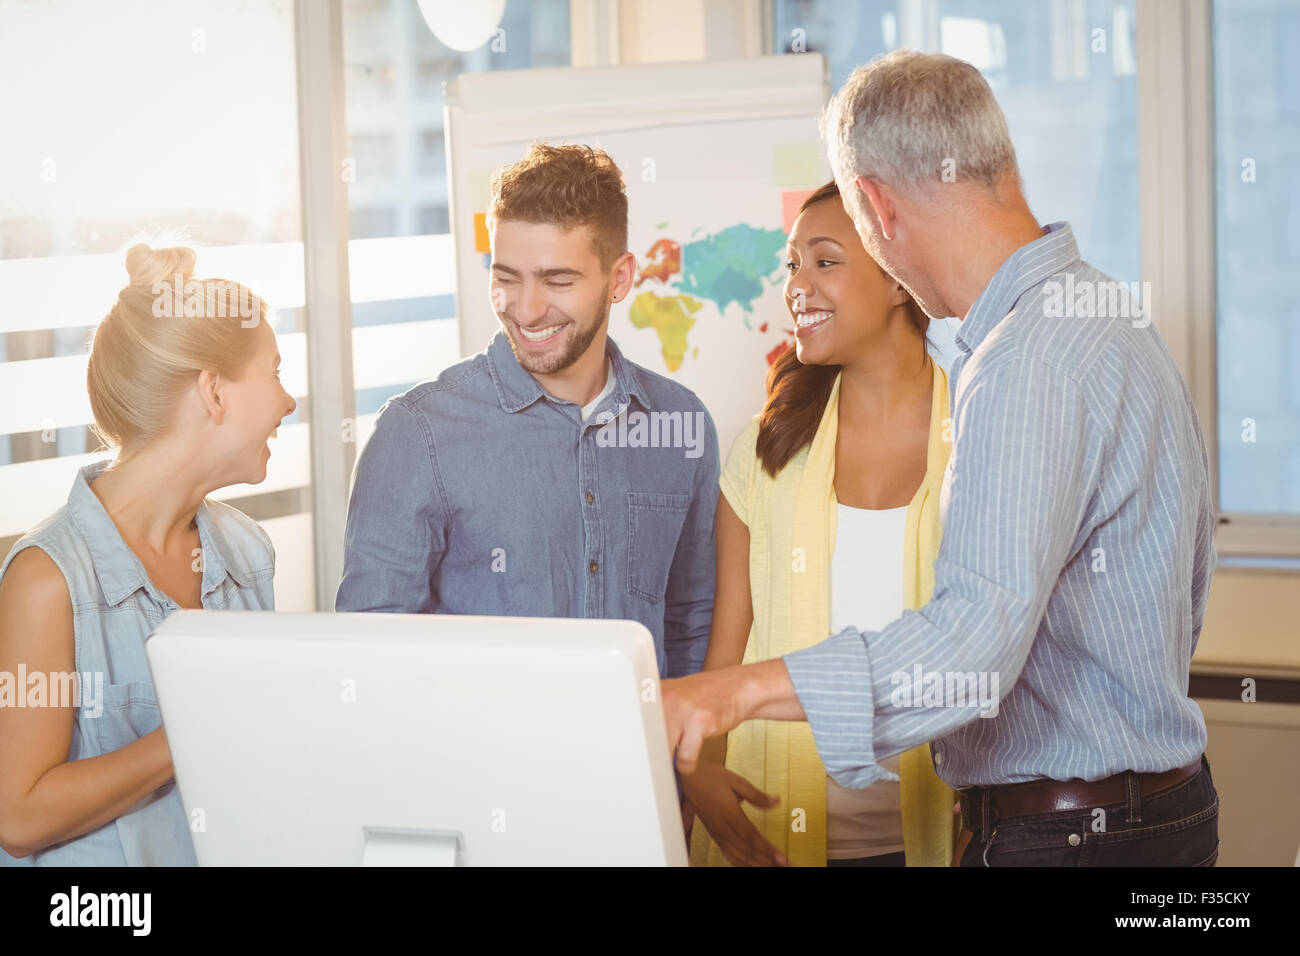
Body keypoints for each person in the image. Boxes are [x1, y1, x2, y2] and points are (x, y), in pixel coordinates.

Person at [663, 50, 1219, 867]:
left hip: (1070, 838)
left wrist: (735, 690)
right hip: (1152, 814)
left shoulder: (1024, 360)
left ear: (878, 211)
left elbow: (971, 648)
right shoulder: (1105, 314)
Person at [336, 143, 719, 684]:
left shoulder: (682, 425)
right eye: (507, 277)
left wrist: (685, 761)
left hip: (638, 764)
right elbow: (369, 653)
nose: (527, 308)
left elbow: (687, 622)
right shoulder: (418, 433)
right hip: (483, 766)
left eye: (558, 280)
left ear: (620, 278)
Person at [682, 182, 958, 867]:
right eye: (791, 265)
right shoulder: (765, 450)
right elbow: (729, 652)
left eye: (825, 261)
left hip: (944, 837)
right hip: (772, 835)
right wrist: (702, 774)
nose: (797, 286)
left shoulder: (977, 437)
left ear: (898, 280)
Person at [0, 244, 295, 865]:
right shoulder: (46, 581)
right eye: (275, 371)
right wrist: (198, 727)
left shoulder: (247, 553)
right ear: (213, 392)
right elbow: (19, 816)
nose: (288, 402)